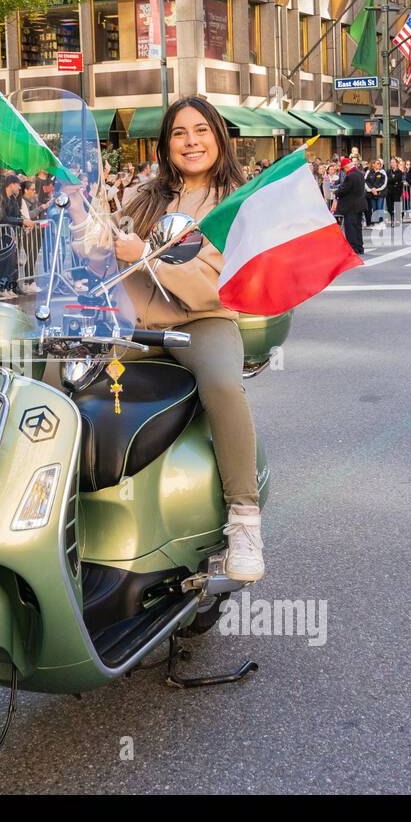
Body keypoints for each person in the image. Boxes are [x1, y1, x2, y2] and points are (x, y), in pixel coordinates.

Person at [108, 97, 266, 582]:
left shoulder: (235, 202)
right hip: (137, 325)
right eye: (179, 133)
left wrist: (147, 256)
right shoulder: (146, 197)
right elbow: (109, 243)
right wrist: (81, 220)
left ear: (218, 136)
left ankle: (244, 518)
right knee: (63, 374)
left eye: (200, 130)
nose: (190, 141)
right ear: (166, 144)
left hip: (203, 321)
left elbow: (211, 285)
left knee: (221, 385)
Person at [335, 157, 367, 254]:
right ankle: (359, 247)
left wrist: (336, 192)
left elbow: (344, 189)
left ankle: (353, 248)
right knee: (357, 227)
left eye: (344, 169)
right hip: (359, 204)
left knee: (350, 227)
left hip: (351, 206)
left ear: (346, 167)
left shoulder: (350, 176)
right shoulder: (360, 174)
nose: (344, 171)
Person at [364, 158, 386, 226]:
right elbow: (366, 182)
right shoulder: (369, 172)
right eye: (377, 163)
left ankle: (381, 222)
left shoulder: (382, 172)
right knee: (374, 208)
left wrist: (377, 189)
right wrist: (371, 189)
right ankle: (376, 222)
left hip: (380, 193)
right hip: (371, 193)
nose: (379, 165)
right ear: (373, 165)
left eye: (380, 164)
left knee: (379, 207)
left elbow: (384, 183)